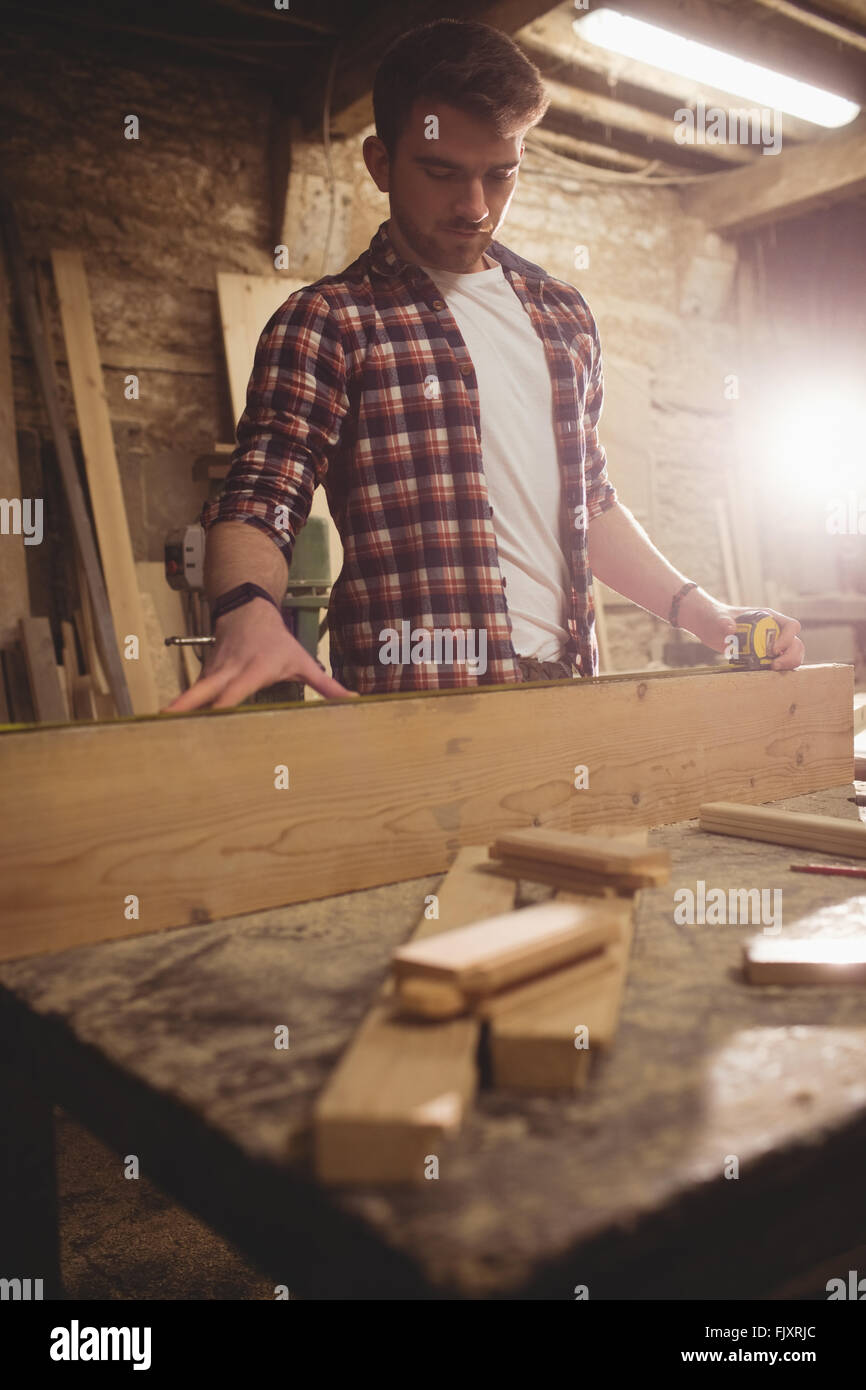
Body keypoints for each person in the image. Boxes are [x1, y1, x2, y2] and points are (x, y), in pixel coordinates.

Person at [166, 18, 803, 712]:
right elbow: (258, 499)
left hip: (565, 698)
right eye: (442, 173)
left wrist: (705, 614)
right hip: (416, 710)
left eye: (500, 176)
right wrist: (248, 611)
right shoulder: (330, 322)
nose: (475, 208)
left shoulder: (562, 318)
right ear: (381, 163)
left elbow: (590, 506)